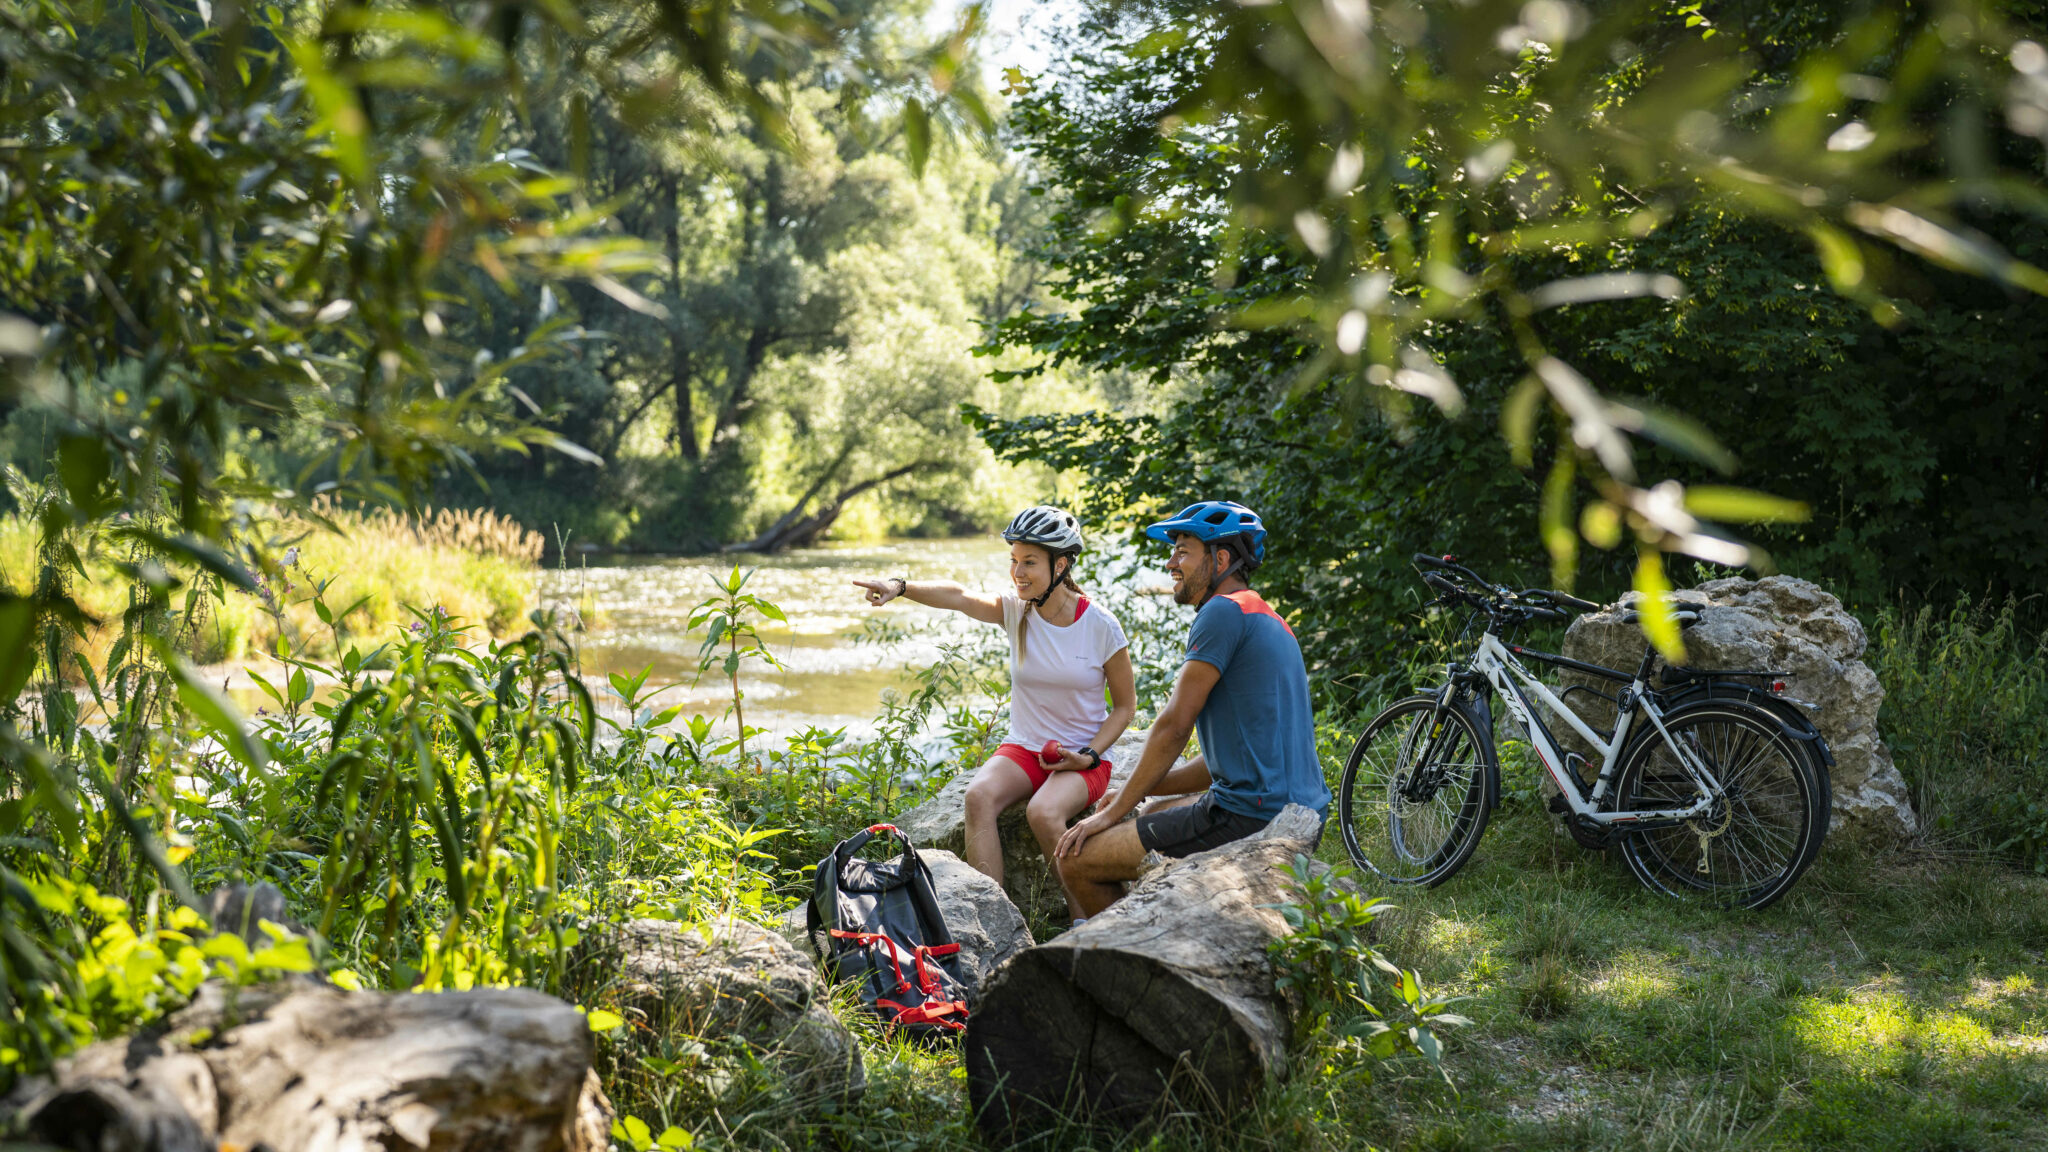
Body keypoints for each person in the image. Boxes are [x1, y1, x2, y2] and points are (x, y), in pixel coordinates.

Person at [853, 506, 1136, 921]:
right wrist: (900, 587)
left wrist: (1089, 754)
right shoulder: (1017, 611)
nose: (1018, 572)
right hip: (1024, 748)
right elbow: (959, 596)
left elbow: (1126, 707)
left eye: (1030, 562)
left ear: (1060, 565)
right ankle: (993, 919)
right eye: (1014, 561)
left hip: (1080, 757)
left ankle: (1084, 920)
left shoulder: (1100, 625)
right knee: (978, 796)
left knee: (1043, 812)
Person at [1054, 500, 1329, 918]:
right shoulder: (1262, 614)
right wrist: (1139, 792)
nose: (1170, 563)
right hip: (1301, 811)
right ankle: (1156, 918)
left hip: (1250, 818)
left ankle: (1131, 945)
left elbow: (1173, 727)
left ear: (1220, 560)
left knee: (1077, 859)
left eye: (1183, 552)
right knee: (1152, 812)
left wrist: (1113, 812)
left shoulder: (1220, 612)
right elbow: (1229, 760)